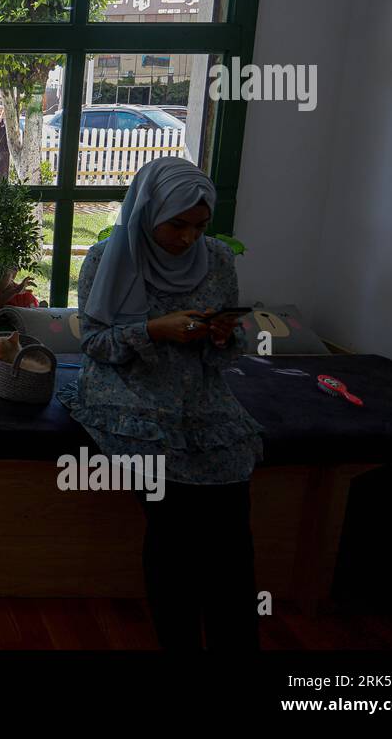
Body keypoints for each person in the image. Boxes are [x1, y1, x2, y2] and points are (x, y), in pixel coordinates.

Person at [67, 157, 263, 650]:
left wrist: (219, 335)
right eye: (176, 224)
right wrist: (155, 328)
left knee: (231, 533)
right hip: (128, 394)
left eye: (199, 226)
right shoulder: (110, 258)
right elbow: (95, 344)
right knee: (174, 525)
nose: (187, 239)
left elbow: (228, 352)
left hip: (200, 397)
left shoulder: (217, 260)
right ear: (148, 211)